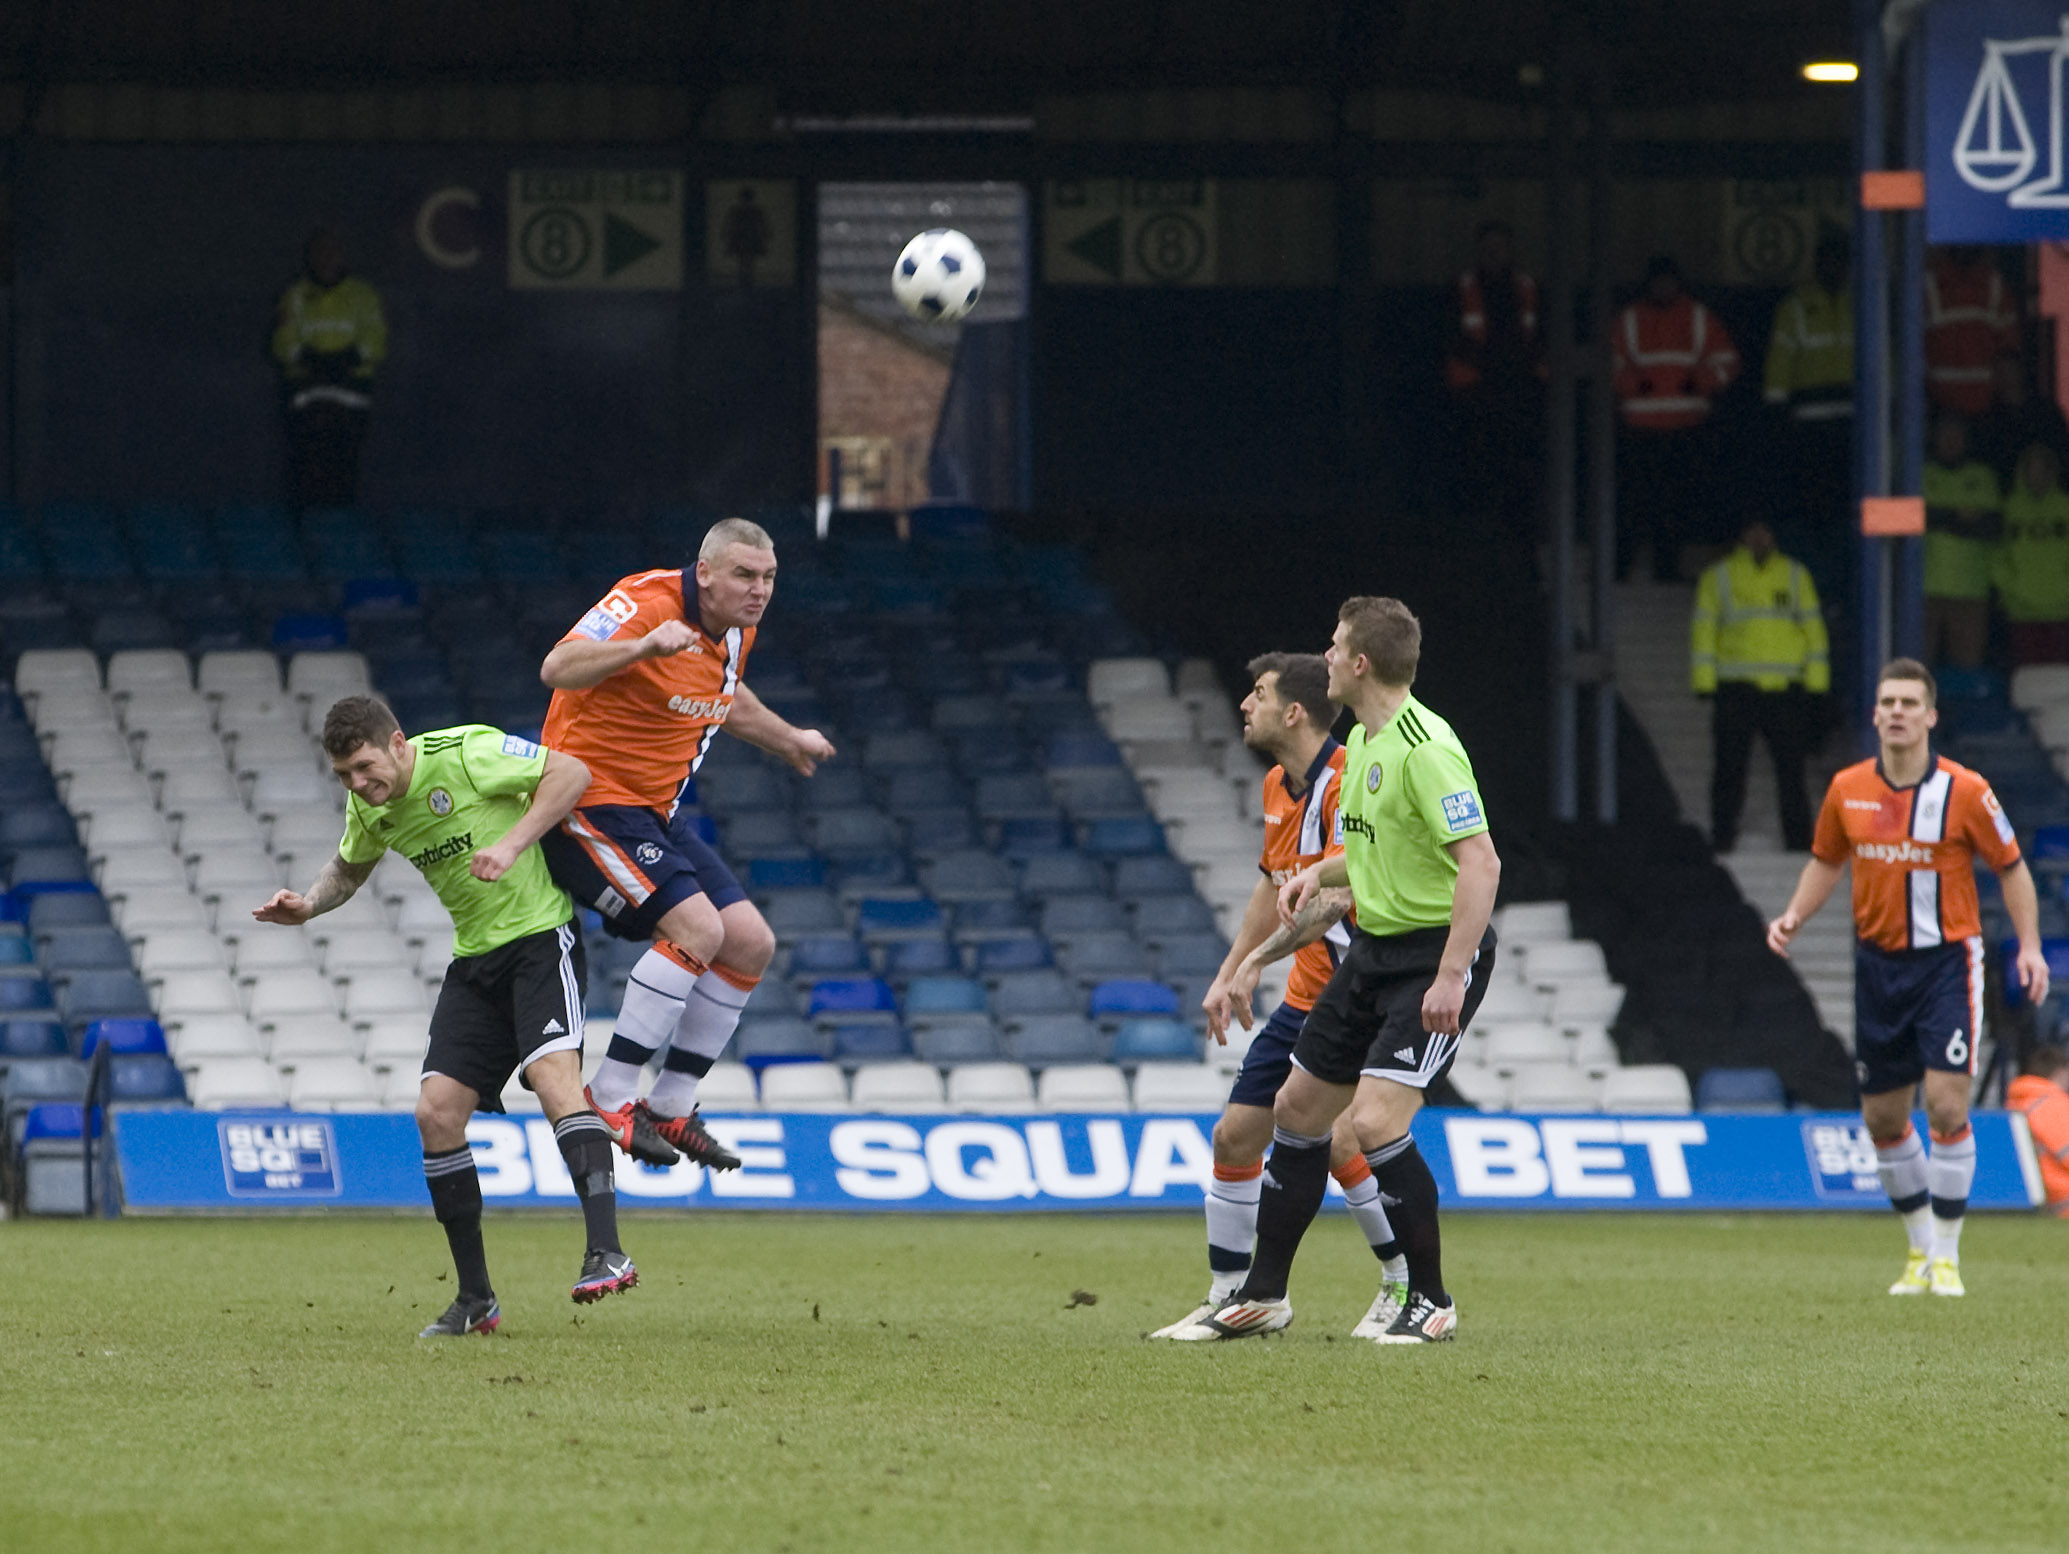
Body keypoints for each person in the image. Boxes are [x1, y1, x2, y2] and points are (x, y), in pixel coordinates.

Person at [253, 696, 638, 1337]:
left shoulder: (465, 754)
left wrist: (514, 843)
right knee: (435, 1114)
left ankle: (607, 1250)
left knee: (553, 1081)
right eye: (344, 775)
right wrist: (308, 905)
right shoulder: (368, 806)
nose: (358, 784)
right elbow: (349, 869)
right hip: (475, 965)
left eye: (365, 768)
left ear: (398, 744)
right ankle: (476, 1300)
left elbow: (570, 774)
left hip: (541, 942)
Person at [1174, 597, 1500, 1344]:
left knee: (1374, 1123)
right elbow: (1368, 853)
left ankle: (1430, 1300)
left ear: (1359, 663)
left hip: (1429, 956)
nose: (1321, 656)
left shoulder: (1425, 748)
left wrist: (1451, 975)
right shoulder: (1364, 741)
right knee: (1295, 1111)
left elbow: (1480, 862)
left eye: (1332, 645)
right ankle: (1261, 1295)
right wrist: (1317, 874)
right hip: (1375, 953)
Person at [539, 518, 836, 1168]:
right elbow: (557, 666)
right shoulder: (644, 600)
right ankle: (609, 1094)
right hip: (584, 799)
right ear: (703, 572)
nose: (758, 590)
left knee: (750, 943)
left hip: (653, 813)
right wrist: (640, 648)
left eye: (768, 578)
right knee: (698, 931)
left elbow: (723, 700)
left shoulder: (736, 632)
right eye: (743, 575)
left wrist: (788, 738)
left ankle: (669, 1107)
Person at [1767, 659, 2048, 1298]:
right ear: (1875, 714)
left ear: (1929, 716)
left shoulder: (1967, 791)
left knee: (1947, 1105)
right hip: (1877, 966)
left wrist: (2029, 947)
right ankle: (1920, 1248)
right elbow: (1825, 861)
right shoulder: (1846, 790)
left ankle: (1948, 1256)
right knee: (1883, 1121)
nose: (1896, 711)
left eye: (1908, 702)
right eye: (1886, 701)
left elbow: (2012, 867)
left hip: (1947, 962)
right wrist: (1793, 916)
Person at [1148, 653, 1408, 1341]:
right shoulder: (1276, 785)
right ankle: (1233, 1294)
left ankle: (1403, 1282)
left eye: (1256, 693)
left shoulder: (1347, 781)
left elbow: (1337, 895)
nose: (1243, 704)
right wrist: (1232, 968)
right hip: (1303, 992)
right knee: (1236, 1135)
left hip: (1357, 990)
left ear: (1293, 711)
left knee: (1339, 1134)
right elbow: (1274, 886)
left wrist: (1251, 964)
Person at [1691, 517, 1830, 853]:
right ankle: (1722, 837)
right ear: (1741, 535)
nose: (1759, 537)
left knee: (1791, 771)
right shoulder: (1719, 577)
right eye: (1752, 530)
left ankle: (1798, 841)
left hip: (1785, 689)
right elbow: (1704, 632)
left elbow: (1813, 631)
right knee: (1729, 769)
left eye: (1766, 530)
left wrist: (1816, 683)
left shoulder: (1795, 575)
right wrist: (1704, 682)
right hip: (1736, 688)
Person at [1613, 255, 1741, 581]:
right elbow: (1608, 364)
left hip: (1686, 428)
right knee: (1632, 505)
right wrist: (1633, 384)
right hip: (1640, 430)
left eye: (1669, 281)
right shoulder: (1629, 319)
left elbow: (1727, 362)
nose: (1663, 287)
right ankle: (1619, 568)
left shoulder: (1699, 318)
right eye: (1658, 281)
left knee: (1675, 508)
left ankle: (1666, 569)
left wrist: (1699, 382)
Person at [271, 228, 387, 510]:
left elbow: (376, 341)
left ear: (341, 256)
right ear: (309, 257)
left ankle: (340, 533)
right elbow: (282, 343)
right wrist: (312, 362)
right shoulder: (295, 295)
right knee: (307, 472)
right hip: (307, 398)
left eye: (331, 251)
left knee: (344, 471)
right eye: (319, 252)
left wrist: (345, 361)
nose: (326, 258)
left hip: (351, 398)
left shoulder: (363, 295)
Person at [1762, 231, 1854, 589]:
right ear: (1818, 266)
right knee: (1812, 510)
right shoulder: (1797, 305)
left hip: (1851, 424)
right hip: (1809, 427)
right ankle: (1819, 583)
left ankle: (1841, 585)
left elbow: (1884, 353)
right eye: (1829, 262)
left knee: (1847, 511)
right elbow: (1780, 357)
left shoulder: (1860, 300)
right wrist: (1777, 410)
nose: (1836, 268)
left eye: (1841, 262)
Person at [1443, 220, 1544, 535]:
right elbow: (1450, 340)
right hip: (1476, 400)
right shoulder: (1462, 289)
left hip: (1520, 399)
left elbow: (1542, 339)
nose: (1494, 254)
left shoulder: (1528, 289)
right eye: (1488, 247)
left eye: (1500, 247)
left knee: (1521, 481)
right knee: (1479, 478)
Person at [1922, 413, 2002, 670]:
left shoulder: (1982, 476)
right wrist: (1957, 517)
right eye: (1944, 435)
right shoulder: (1920, 473)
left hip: (1971, 592)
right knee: (1919, 669)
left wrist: (1940, 517)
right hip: (1924, 590)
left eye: (1956, 436)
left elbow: (1989, 525)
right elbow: (1914, 518)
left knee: (1968, 669)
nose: (1950, 442)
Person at [1993, 442, 2069, 665]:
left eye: (2042, 470)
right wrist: (2011, 588)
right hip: (2021, 611)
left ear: (2051, 472)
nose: (2037, 476)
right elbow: (1997, 553)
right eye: (2032, 470)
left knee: (2060, 679)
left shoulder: (2066, 508)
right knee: (2026, 677)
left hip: (2062, 610)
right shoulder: (2008, 508)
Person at [1925, 247, 2017, 419]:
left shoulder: (1994, 283)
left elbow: (2009, 354)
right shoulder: (1926, 282)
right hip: (1940, 412)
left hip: (1986, 412)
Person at [1971, 353, 2069, 489]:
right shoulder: (1988, 420)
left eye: (2011, 370)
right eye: (2001, 372)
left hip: (2047, 491)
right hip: (2005, 492)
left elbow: (2061, 450)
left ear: (2022, 372)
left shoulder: (2046, 412)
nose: (2006, 377)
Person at [2006, 1044, 2069, 1216]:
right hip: (2062, 1198)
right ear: (2060, 1071)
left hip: (2042, 1197)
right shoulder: (2052, 1104)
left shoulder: (2017, 1102)